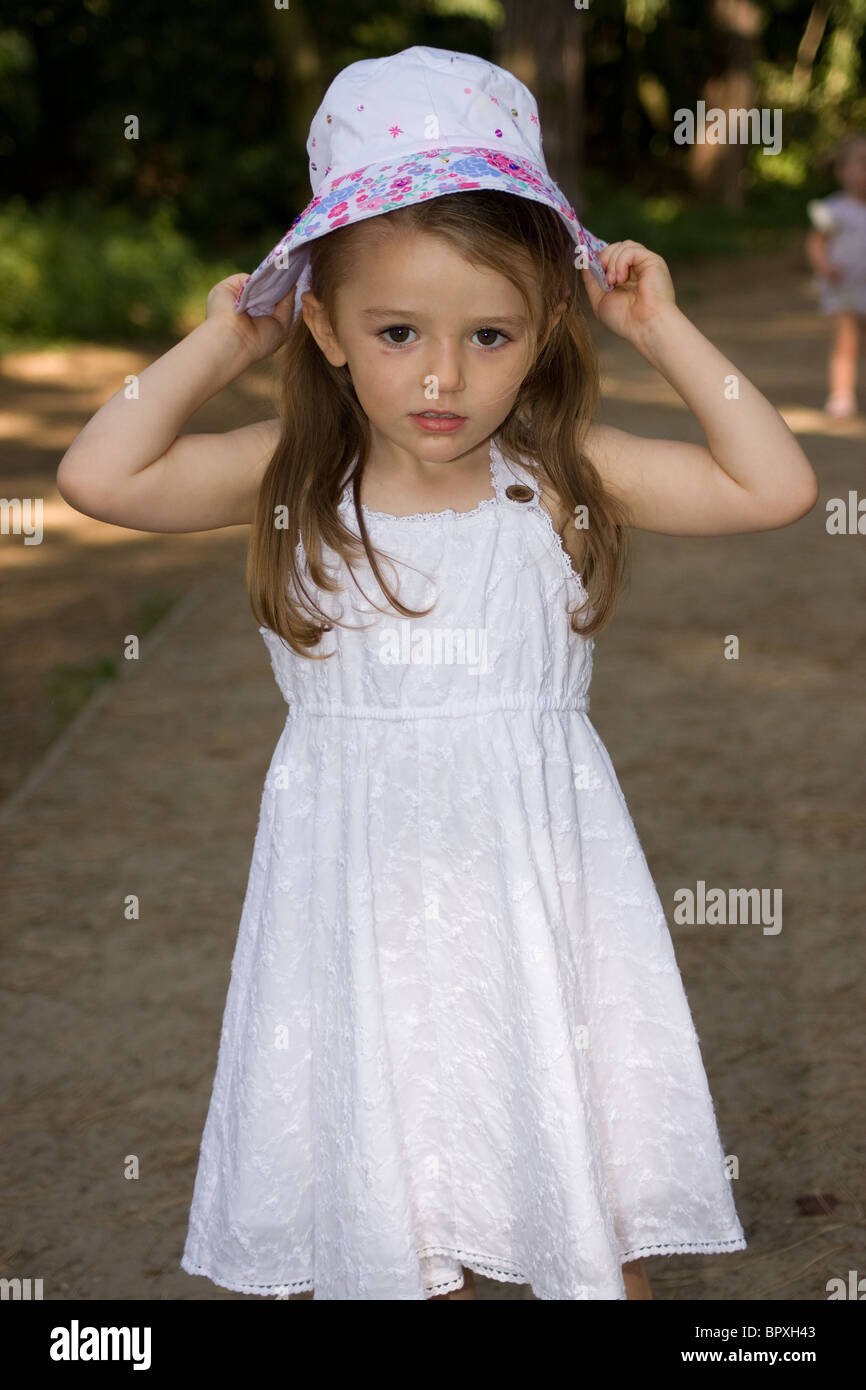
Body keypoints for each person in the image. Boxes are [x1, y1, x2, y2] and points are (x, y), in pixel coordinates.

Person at [57, 46, 818, 1301]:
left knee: (575, 1190)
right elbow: (99, 476)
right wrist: (219, 346)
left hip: (538, 894)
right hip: (354, 901)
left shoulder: (563, 469)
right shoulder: (290, 473)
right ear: (321, 322)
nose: (442, 376)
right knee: (396, 1198)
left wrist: (663, 325)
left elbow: (773, 486)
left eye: (489, 333)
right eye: (396, 330)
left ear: (548, 326)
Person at [806, 133, 866, 418]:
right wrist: (824, 265)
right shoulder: (833, 209)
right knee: (846, 340)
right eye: (862, 163)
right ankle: (841, 395)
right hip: (841, 290)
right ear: (842, 170)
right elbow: (816, 241)